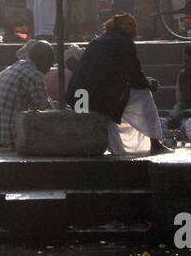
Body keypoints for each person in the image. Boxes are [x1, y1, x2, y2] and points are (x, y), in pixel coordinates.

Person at [64, 13, 169, 155]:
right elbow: (135, 75)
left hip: (78, 97)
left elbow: (121, 74)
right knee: (144, 94)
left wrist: (144, 81)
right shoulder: (124, 43)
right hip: (96, 98)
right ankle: (155, 142)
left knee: (125, 95)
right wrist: (148, 84)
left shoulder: (98, 41)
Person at [0, 39, 55, 149]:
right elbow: (46, 111)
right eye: (50, 61)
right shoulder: (34, 75)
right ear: (41, 59)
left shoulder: (16, 67)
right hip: (10, 140)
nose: (51, 65)